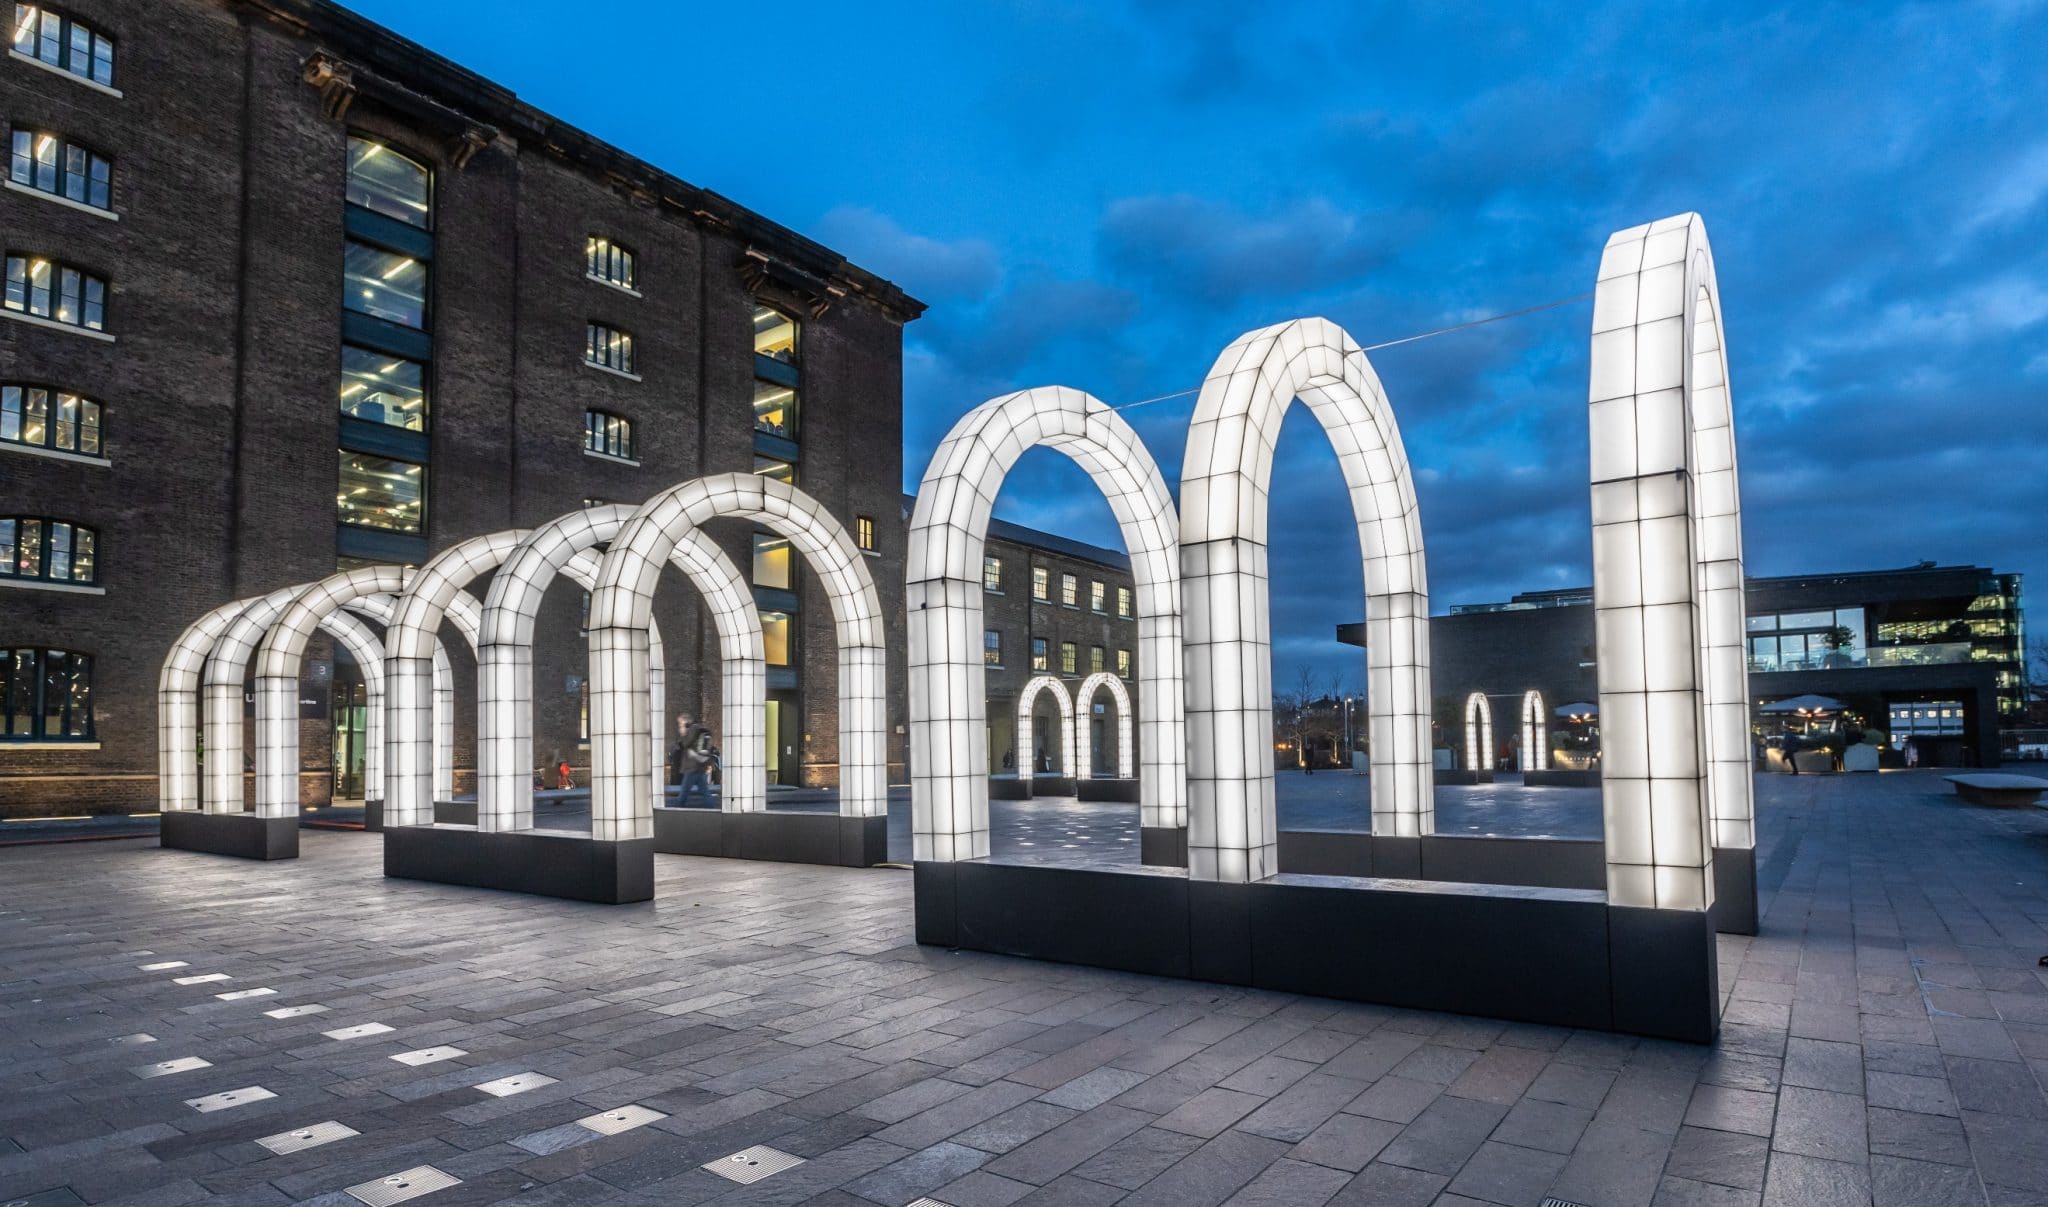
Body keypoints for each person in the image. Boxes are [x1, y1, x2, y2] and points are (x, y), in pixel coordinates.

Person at [676, 712, 716, 805]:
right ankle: (711, 810)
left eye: (681, 723)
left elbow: (686, 743)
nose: (680, 726)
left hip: (692, 767)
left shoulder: (693, 728)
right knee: (705, 792)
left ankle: (676, 813)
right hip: (699, 766)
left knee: (683, 794)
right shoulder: (699, 729)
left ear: (686, 722)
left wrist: (683, 733)